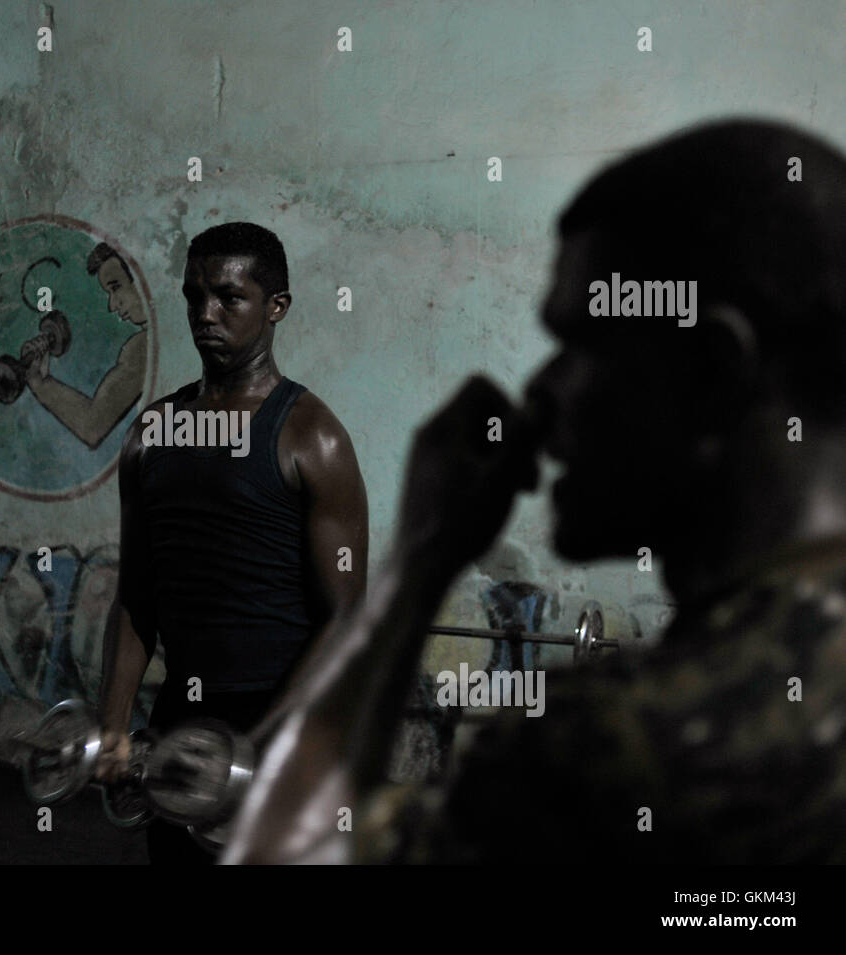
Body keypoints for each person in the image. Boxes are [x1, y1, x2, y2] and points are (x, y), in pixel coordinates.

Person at [222, 119, 846, 864]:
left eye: (580, 344)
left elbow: (280, 855)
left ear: (713, 374)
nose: (540, 390)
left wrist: (416, 566)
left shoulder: (618, 741)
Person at [95, 222, 369, 863]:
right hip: (181, 728)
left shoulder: (311, 437)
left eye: (228, 297)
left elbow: (346, 617)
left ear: (276, 308)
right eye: (194, 296)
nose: (204, 314)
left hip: (280, 723)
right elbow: (137, 595)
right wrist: (113, 725)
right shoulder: (151, 434)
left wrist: (272, 741)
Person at [22, 242, 148, 449]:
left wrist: (40, 383)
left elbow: (93, 425)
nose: (112, 305)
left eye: (116, 288)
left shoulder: (143, 348)